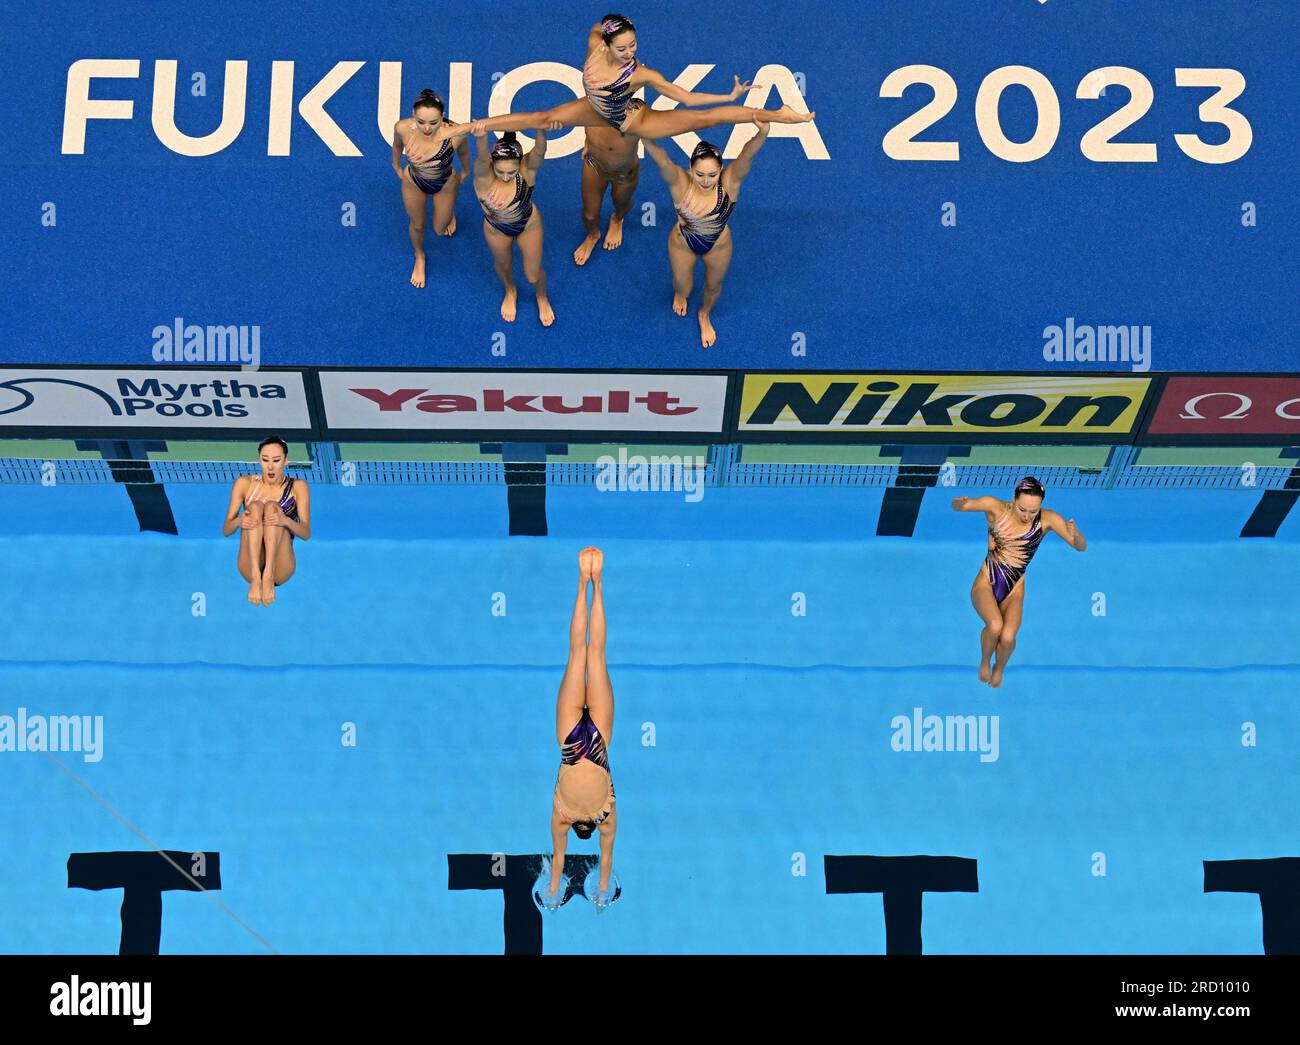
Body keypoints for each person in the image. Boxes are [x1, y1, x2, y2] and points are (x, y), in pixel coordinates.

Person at [642, 123, 770, 347]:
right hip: (682, 243)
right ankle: (680, 293)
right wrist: (641, 132)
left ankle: (704, 314)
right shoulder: (680, 183)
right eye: (699, 174)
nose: (706, 180)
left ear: (721, 170)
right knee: (683, 287)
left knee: (713, 286)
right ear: (690, 169)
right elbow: (662, 159)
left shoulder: (730, 183)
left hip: (718, 246)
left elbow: (747, 155)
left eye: (712, 174)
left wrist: (763, 133)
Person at [952, 477, 1085, 687]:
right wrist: (959, 504)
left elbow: (1080, 547)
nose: (1027, 516)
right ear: (1014, 499)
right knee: (995, 626)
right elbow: (961, 506)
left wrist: (1075, 535)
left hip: (1014, 590)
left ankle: (999, 667)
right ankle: (985, 660)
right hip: (987, 582)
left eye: (1033, 511)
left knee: (1007, 638)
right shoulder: (995, 508)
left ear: (1041, 505)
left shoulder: (1047, 519)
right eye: (1022, 509)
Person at [545, 547, 617, 908]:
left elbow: (607, 858)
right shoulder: (563, 815)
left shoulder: (606, 816)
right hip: (571, 742)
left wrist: (603, 891)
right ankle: (582, 582)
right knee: (578, 655)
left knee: (595, 655)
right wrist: (552, 891)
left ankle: (596, 583)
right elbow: (557, 860)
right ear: (576, 827)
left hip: (598, 741)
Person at [471, 126, 557, 325]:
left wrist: (542, 130)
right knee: (503, 266)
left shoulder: (527, 172)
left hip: (528, 225)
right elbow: (482, 157)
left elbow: (539, 151)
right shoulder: (483, 177)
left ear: (520, 164)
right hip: (496, 230)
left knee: (533, 274)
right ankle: (510, 290)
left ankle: (541, 296)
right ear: (492, 164)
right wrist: (481, 137)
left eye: (511, 171)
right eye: (500, 171)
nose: (505, 177)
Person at [391, 88, 473, 288]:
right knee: (417, 225)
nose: (427, 128)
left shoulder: (456, 133)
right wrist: (396, 165)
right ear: (413, 115)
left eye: (434, 123)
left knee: (439, 229)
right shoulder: (402, 128)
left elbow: (463, 153)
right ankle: (420, 256)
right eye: (421, 122)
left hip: (444, 184)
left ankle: (449, 213)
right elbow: (397, 145)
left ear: (442, 116)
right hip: (414, 182)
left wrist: (466, 170)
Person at [222, 436, 311, 606]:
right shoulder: (244, 483)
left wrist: (285, 521)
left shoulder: (298, 487)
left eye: (276, 460)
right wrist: (239, 521)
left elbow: (306, 533)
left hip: (280, 566)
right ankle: (257, 578)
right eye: (265, 460)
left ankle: (268, 575)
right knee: (254, 507)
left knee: (272, 507)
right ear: (259, 460)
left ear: (285, 461)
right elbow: (226, 530)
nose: (270, 466)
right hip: (250, 565)